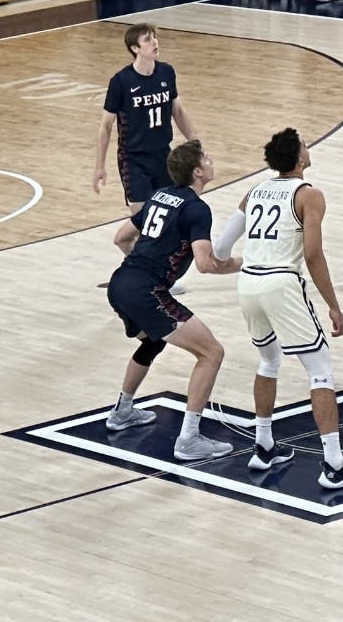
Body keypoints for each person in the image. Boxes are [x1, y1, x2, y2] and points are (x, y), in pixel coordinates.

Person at [212, 128, 343, 488]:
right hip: (280, 284)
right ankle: (335, 464)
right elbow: (313, 254)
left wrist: (247, 263)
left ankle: (263, 445)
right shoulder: (309, 195)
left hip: (249, 283)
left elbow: (221, 248)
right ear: (300, 157)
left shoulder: (253, 192)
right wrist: (334, 306)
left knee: (269, 361)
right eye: (305, 144)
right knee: (320, 370)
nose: (308, 147)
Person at [105, 140, 241, 460]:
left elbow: (121, 238)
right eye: (206, 158)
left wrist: (139, 266)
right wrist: (243, 264)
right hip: (145, 292)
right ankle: (189, 440)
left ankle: (122, 411)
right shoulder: (197, 209)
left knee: (153, 341)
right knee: (212, 352)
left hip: (120, 283)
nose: (211, 160)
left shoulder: (159, 195)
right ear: (197, 171)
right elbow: (206, 264)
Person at [94, 23, 198, 214]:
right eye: (147, 39)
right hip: (133, 159)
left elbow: (179, 112)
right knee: (143, 217)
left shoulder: (167, 72)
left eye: (154, 37)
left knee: (169, 214)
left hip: (163, 155)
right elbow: (106, 127)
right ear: (135, 48)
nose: (155, 42)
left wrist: (195, 144)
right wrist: (100, 166)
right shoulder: (120, 82)